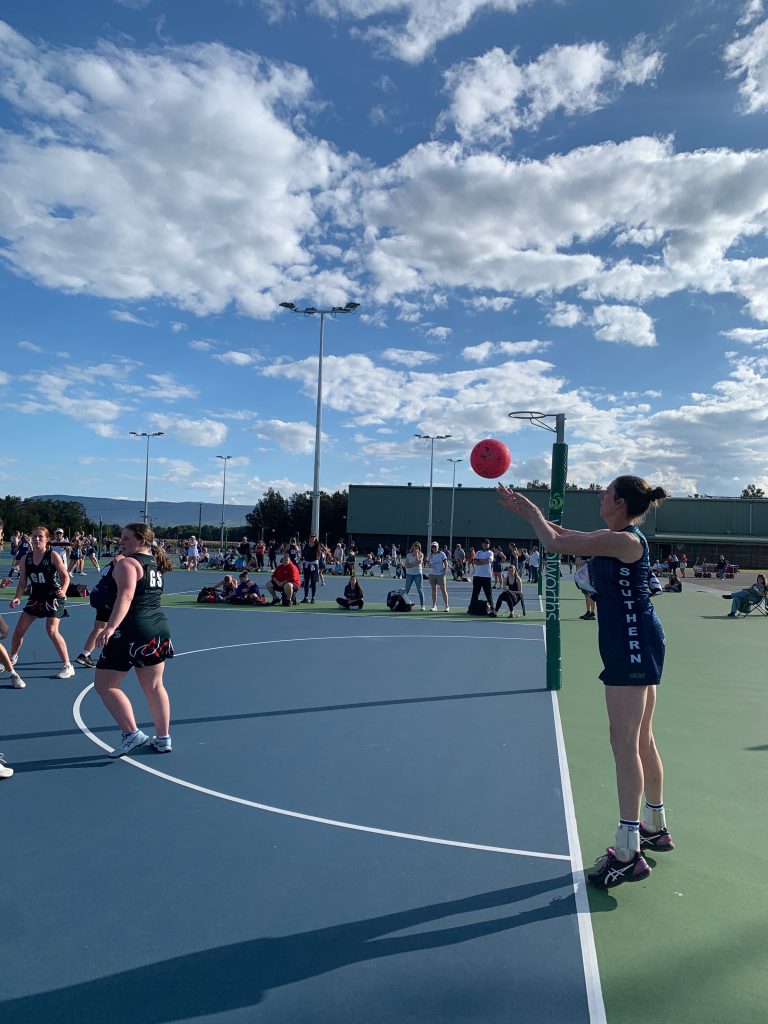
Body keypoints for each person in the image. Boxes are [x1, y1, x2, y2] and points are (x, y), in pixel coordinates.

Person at [498, 475, 672, 890]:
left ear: (621, 503)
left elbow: (556, 544)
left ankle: (628, 851)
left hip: (630, 644)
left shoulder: (626, 542)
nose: (600, 495)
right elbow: (567, 535)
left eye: (606, 492)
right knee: (642, 738)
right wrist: (527, 511)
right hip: (636, 640)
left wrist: (535, 513)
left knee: (625, 743)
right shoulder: (615, 535)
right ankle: (655, 825)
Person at [94, 523, 174, 758]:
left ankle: (131, 734)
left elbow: (126, 596)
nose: (122, 542)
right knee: (155, 687)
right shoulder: (155, 565)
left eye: (126, 538)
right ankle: (163, 738)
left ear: (141, 540)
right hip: (157, 629)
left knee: (105, 685)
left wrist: (110, 627)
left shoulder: (129, 564)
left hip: (131, 630)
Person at [9, 526, 75, 679]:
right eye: (34, 536)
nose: (37, 539)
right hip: (36, 597)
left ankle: (67, 665)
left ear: (47, 539)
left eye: (40, 536)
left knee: (51, 630)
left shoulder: (52, 555)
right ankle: (12, 658)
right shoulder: (26, 558)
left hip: (53, 597)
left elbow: (66, 577)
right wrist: (17, 596)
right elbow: (22, 582)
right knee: (19, 630)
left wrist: (63, 591)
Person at [75, 551, 125, 669]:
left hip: (99, 594)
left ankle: (85, 654)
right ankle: (115, 653)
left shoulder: (112, 563)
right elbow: (118, 559)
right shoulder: (121, 560)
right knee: (120, 624)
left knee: (100, 626)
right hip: (107, 596)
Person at [469, 538, 493, 611]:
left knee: (488, 594)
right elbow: (474, 562)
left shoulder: (490, 553)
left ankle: (492, 608)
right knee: (475, 594)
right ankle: (471, 608)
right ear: (482, 544)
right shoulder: (478, 552)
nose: (485, 544)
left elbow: (488, 560)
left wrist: (479, 560)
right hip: (477, 576)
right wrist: (483, 561)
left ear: (489, 544)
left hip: (486, 576)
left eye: (487, 543)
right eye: (484, 543)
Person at [427, 540, 449, 612]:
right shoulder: (430, 555)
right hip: (432, 574)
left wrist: (444, 572)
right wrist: (430, 565)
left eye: (435, 547)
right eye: (433, 547)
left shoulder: (442, 554)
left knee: (443, 590)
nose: (434, 548)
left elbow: (446, 563)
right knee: (433, 590)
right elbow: (427, 564)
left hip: (440, 574)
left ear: (438, 547)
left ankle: (446, 606)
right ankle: (434, 606)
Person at [300, 532, 321, 603]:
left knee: (313, 582)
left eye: (313, 536)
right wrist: (302, 560)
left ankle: (313, 598)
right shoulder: (306, 545)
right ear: (309, 537)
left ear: (315, 538)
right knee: (306, 581)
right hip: (306, 564)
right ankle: (306, 597)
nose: (312, 538)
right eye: (311, 536)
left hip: (314, 564)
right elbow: (303, 553)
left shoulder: (317, 545)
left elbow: (318, 555)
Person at [403, 541, 425, 609]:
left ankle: (422, 605)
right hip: (409, 574)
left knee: (420, 589)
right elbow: (406, 565)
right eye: (415, 546)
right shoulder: (408, 555)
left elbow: (419, 562)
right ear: (413, 547)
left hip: (418, 574)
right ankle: (405, 603)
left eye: (417, 547)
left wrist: (417, 554)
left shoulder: (421, 554)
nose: (416, 548)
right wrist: (412, 565)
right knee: (406, 590)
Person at [574, 554, 597, 620]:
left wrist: (586, 561)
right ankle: (588, 612)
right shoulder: (582, 553)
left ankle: (592, 613)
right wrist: (586, 561)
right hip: (583, 577)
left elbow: (593, 562)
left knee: (591, 595)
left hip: (590, 577)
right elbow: (577, 562)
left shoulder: (593, 553)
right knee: (586, 595)